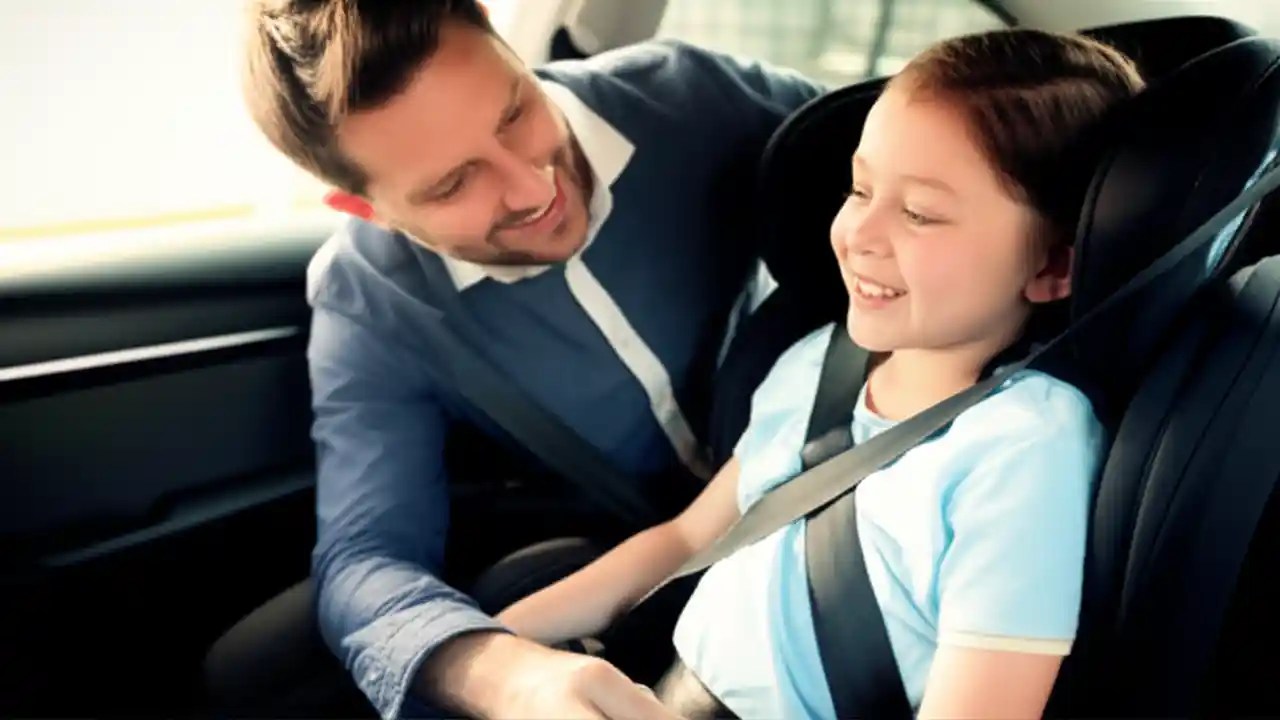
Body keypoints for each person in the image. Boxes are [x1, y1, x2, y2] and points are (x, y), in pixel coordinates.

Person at [496, 28, 1145, 718]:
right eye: (860, 189)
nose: (858, 233)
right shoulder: (817, 364)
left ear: (1053, 266)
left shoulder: (1025, 449)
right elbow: (685, 539)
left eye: (920, 213)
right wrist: (496, 643)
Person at [222, 1, 826, 718]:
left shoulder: (692, 96)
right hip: (659, 576)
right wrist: (504, 677)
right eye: (453, 184)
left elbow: (912, 152)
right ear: (367, 210)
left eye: (515, 112)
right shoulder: (370, 302)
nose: (534, 187)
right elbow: (366, 555)